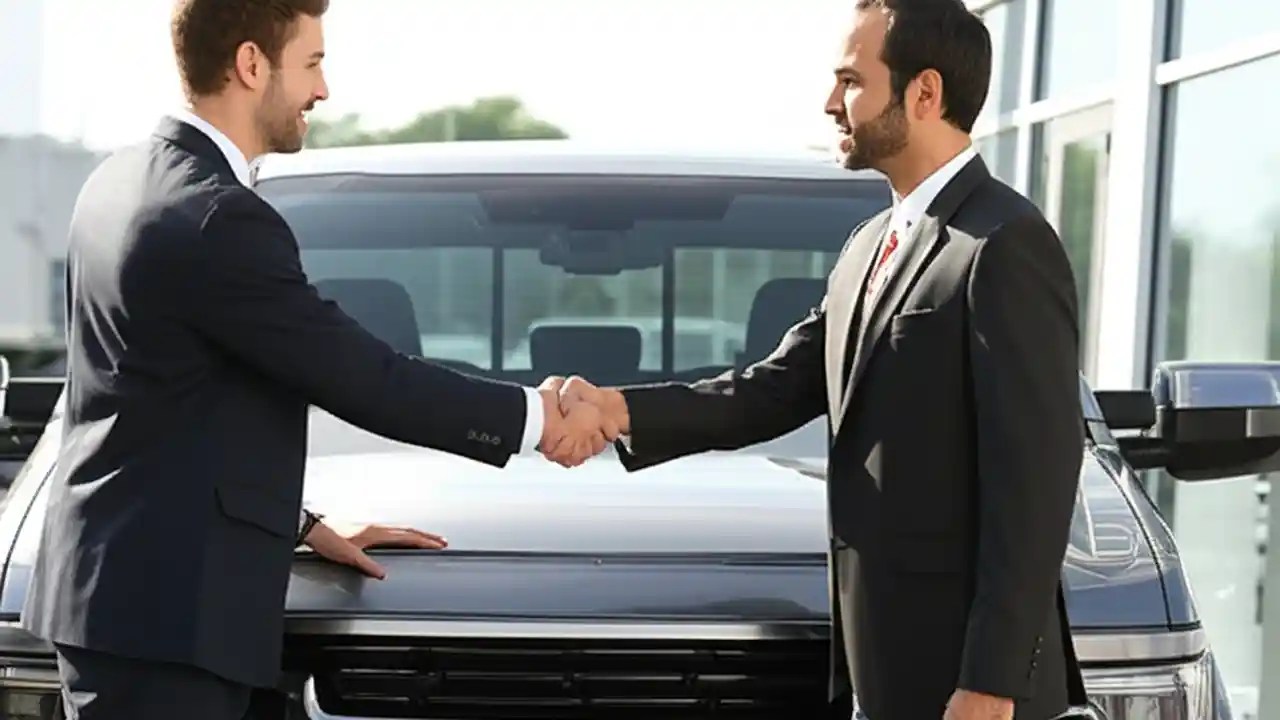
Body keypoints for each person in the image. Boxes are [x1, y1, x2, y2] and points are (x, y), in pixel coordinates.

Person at [21, 1, 614, 718]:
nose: (324, 91)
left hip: (121, 602)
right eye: (312, 63)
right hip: (168, 625)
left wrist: (296, 524)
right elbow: (360, 375)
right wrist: (535, 420)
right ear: (250, 65)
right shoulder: (218, 217)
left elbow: (164, 408)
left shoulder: (119, 183)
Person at [555, 1, 1087, 718]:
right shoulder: (868, 245)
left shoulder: (1004, 245)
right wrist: (619, 410)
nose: (831, 103)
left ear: (924, 93)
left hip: (968, 693)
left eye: (850, 81)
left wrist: (991, 683)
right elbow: (773, 389)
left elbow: (1035, 488)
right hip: (881, 676)